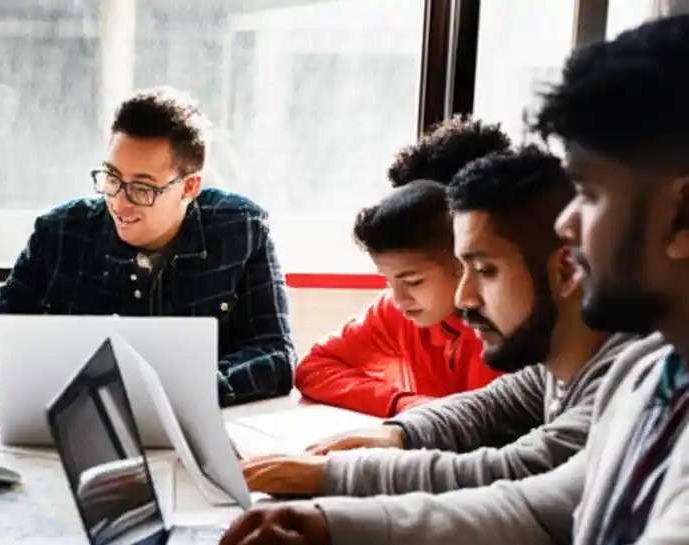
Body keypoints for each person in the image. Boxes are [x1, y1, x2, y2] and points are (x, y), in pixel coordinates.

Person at [210, 16, 689, 545]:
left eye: (588, 191)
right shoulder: (654, 372)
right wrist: (328, 523)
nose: (566, 227)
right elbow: (544, 511)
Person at [241, 146, 632, 497]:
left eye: (485, 270)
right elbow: (487, 409)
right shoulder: (554, 367)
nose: (464, 296)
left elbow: (519, 474)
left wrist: (338, 477)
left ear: (566, 268)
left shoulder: (627, 377)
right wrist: (395, 433)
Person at [0, 86, 294, 422]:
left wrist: (182, 391)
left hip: (193, 430)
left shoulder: (241, 229)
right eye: (112, 178)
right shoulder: (61, 232)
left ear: (189, 187)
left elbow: (275, 355)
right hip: (72, 429)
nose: (119, 202)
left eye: (142, 188)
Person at [293, 118, 508, 417]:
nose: (399, 298)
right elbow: (313, 368)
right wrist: (404, 404)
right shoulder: (397, 312)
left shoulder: (515, 324)